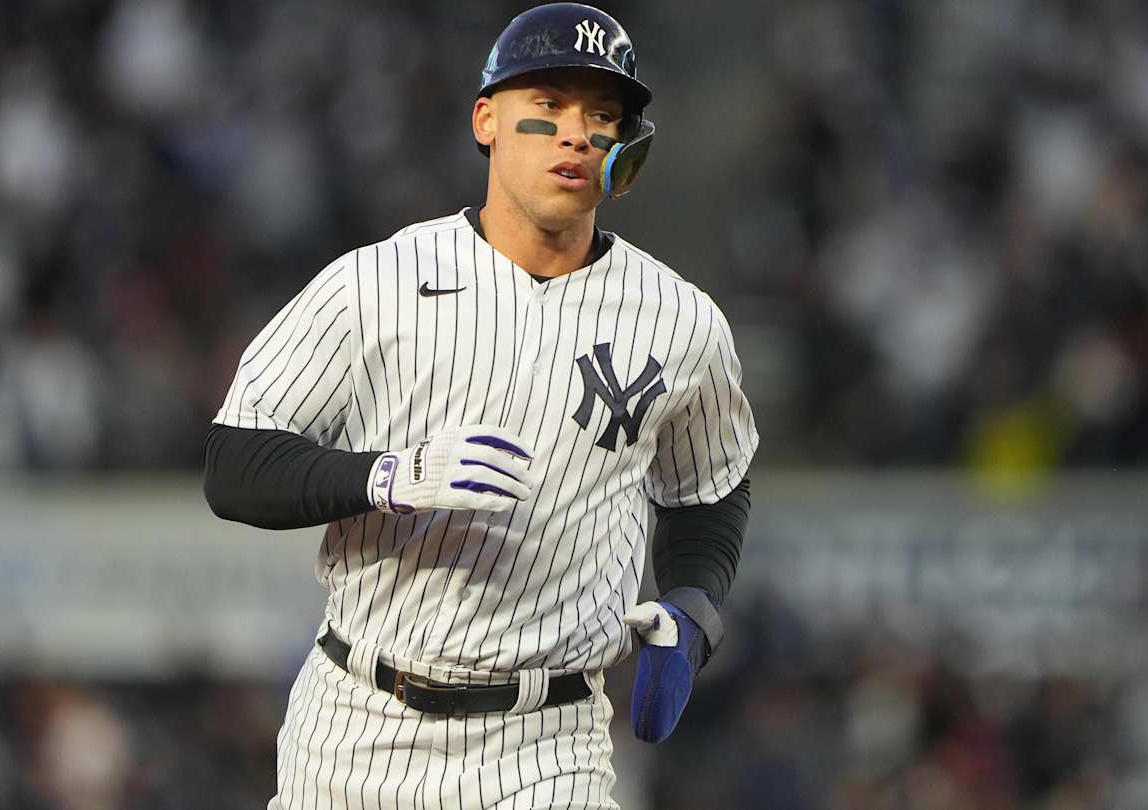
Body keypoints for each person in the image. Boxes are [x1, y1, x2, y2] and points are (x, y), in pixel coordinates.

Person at [204, 4, 757, 808]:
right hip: (357, 723)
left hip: (548, 742)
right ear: (487, 120)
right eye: (549, 108)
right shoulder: (377, 283)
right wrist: (386, 474)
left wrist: (694, 604)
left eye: (602, 115)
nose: (576, 133)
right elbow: (234, 466)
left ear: (624, 150)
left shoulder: (681, 322)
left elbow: (712, 485)